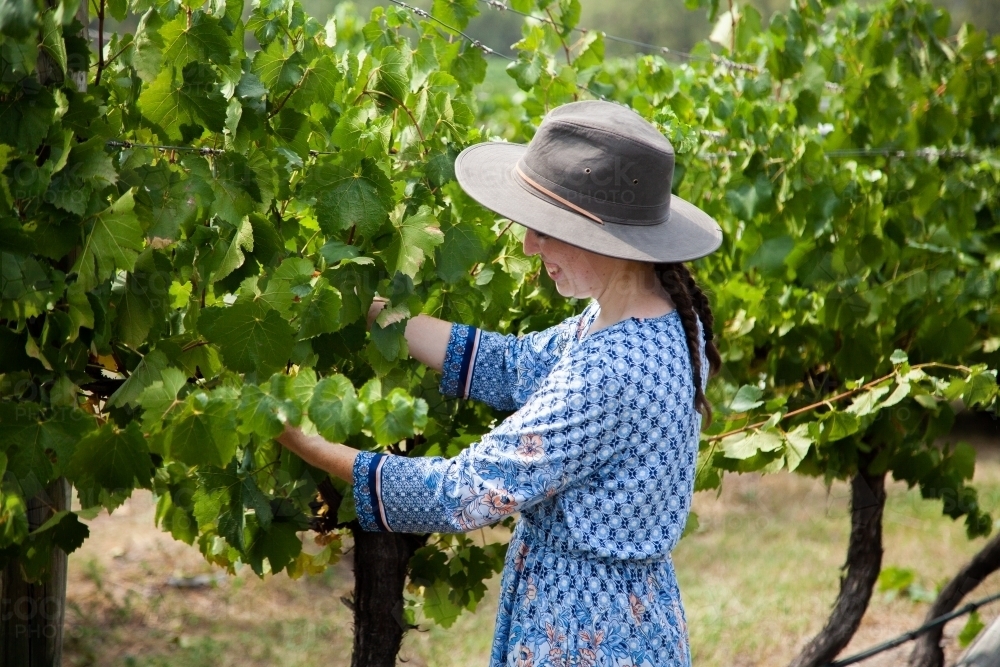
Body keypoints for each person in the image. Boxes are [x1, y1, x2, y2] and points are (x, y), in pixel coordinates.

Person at [277, 100, 724, 667]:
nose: (529, 246)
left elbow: (463, 492)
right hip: (631, 619)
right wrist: (375, 313)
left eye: (545, 230)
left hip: (585, 633)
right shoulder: (647, 316)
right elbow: (514, 365)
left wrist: (303, 442)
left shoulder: (611, 370)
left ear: (597, 235)